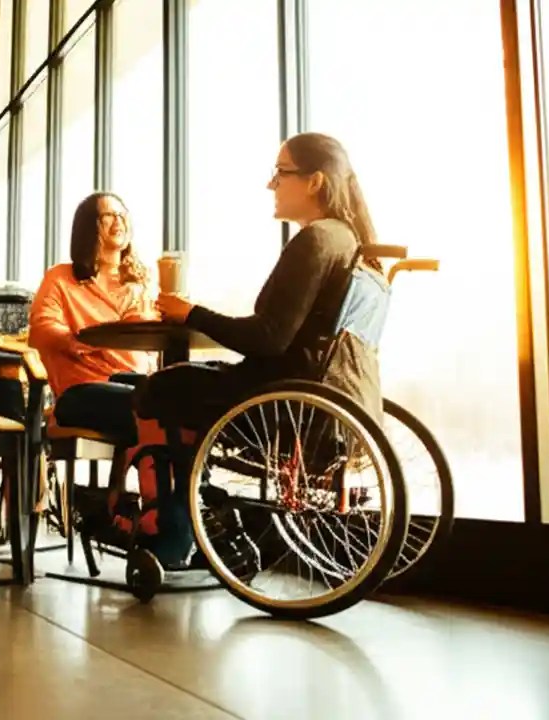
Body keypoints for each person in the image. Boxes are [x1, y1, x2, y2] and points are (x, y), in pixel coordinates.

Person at [126, 132, 387, 567]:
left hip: (279, 399)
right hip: (334, 400)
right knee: (171, 385)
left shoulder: (316, 240)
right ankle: (196, 510)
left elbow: (268, 338)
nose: (272, 184)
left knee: (158, 388)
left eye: (281, 173)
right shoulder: (352, 246)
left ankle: (170, 528)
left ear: (315, 182)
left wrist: (190, 314)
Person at [28, 192, 157, 443]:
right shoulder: (62, 278)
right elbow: (42, 327)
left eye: (122, 215)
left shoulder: (138, 285)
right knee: (149, 408)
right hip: (82, 390)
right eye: (109, 215)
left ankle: (190, 481)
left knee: (173, 402)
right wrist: (76, 343)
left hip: (132, 381)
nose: (118, 221)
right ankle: (165, 482)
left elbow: (149, 343)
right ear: (89, 226)